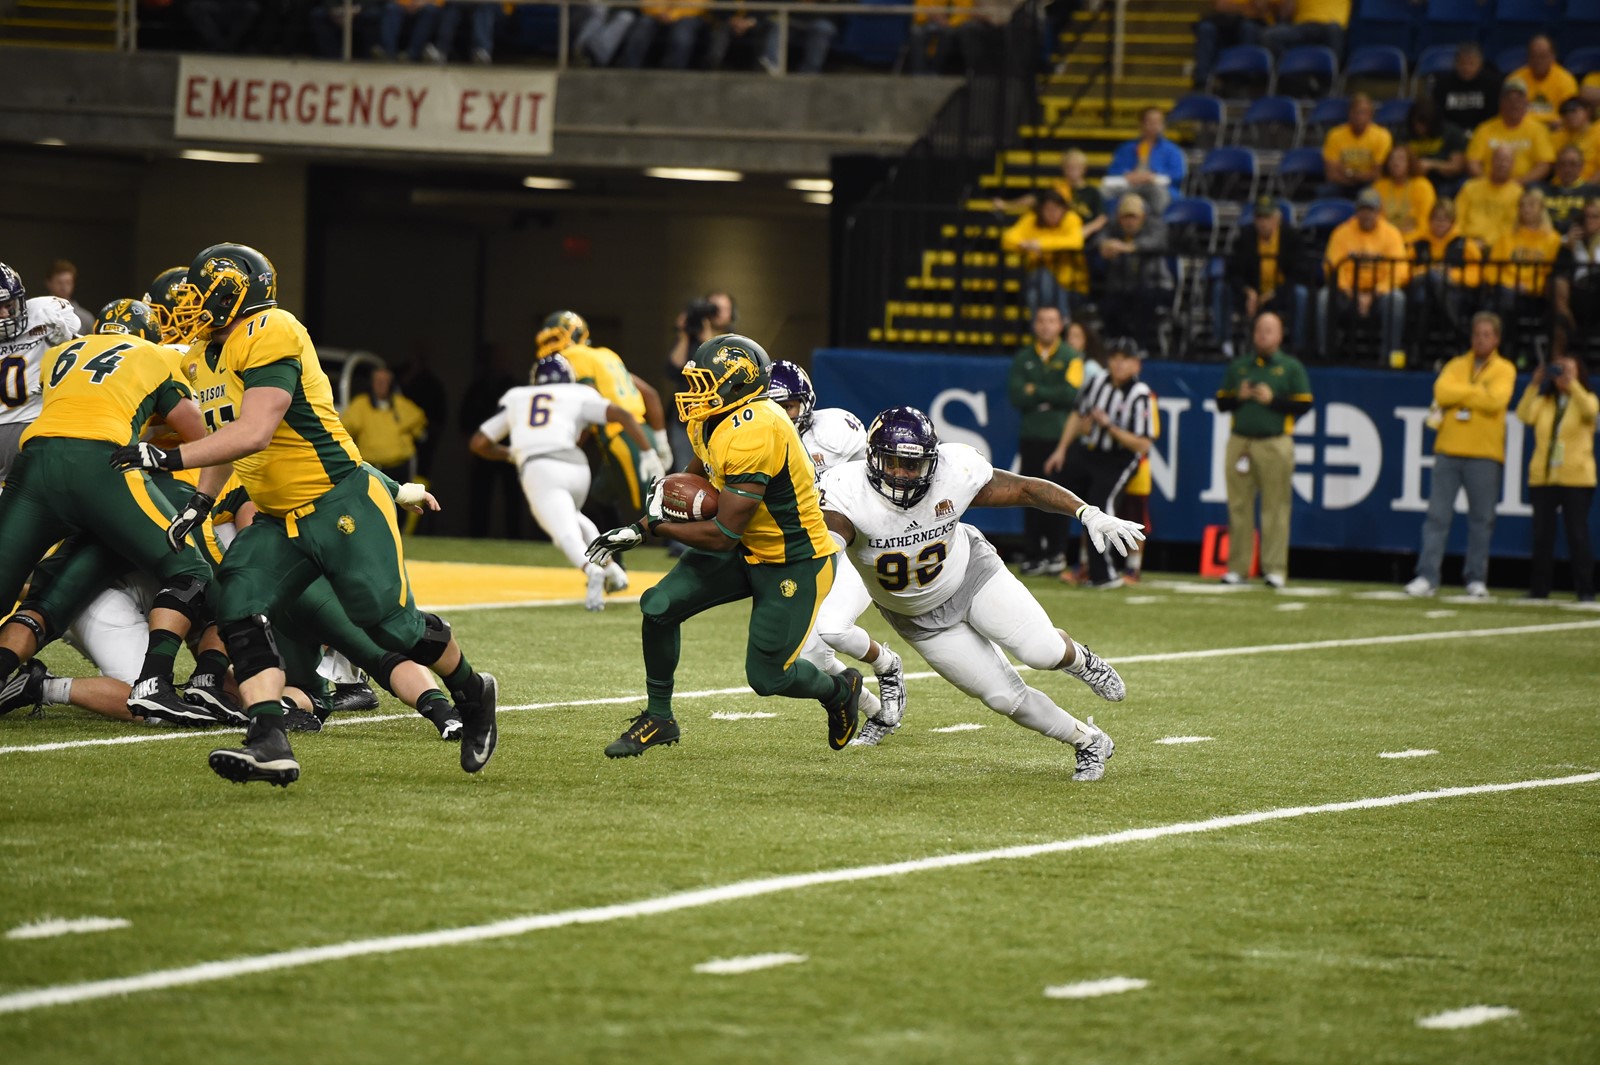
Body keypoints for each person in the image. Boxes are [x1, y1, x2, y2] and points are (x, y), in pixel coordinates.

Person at [112, 242, 498, 785]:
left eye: (202, 291)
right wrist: (201, 501)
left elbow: (256, 431)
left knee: (388, 626)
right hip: (274, 517)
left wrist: (164, 456)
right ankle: (267, 738)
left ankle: (471, 689)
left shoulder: (271, 329)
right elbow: (228, 440)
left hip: (338, 501)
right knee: (237, 602)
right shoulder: (201, 358)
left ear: (237, 291)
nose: (192, 305)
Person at [818, 406, 1140, 781]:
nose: (903, 476)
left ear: (932, 463)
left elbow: (1025, 488)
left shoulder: (954, 472)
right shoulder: (844, 493)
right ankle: (1088, 741)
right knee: (1004, 698)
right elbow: (822, 555)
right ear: (873, 458)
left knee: (1042, 651)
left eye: (914, 466)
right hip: (917, 617)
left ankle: (1079, 660)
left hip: (972, 576)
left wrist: (1087, 513)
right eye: (893, 463)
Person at [583, 334, 865, 758]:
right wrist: (640, 527)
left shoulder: (759, 428)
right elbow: (691, 480)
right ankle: (659, 717)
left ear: (737, 384)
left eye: (704, 383)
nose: (694, 393)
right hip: (743, 546)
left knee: (768, 678)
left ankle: (839, 691)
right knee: (659, 607)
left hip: (791, 559)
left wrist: (656, 529)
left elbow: (722, 533)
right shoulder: (711, 418)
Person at [0, 301, 215, 723]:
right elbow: (200, 436)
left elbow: (81, 402)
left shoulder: (63, 352)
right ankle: (155, 684)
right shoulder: (154, 354)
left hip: (36, 459)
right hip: (102, 465)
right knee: (191, 570)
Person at [766, 360, 907, 746]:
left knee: (834, 628)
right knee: (813, 658)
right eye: (773, 406)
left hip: (854, 543)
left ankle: (887, 664)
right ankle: (877, 712)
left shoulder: (836, 431)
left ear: (806, 403)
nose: (783, 414)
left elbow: (877, 486)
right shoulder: (759, 438)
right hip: (802, 550)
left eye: (789, 406)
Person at [467, 353, 654, 611]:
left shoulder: (517, 397)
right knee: (573, 516)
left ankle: (592, 570)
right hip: (577, 465)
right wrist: (647, 451)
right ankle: (613, 570)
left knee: (563, 533)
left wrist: (510, 453)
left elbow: (479, 442)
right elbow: (622, 414)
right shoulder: (580, 393)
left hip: (540, 467)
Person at [1405, 312, 1516, 599]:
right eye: (1477, 334)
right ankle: (1427, 576)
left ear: (1497, 338)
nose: (1481, 339)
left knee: (1481, 519)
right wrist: (1476, 391)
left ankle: (1476, 578)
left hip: (1484, 452)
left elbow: (1496, 401)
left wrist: (1462, 394)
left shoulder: (1505, 369)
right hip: (1448, 448)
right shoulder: (1456, 364)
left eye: (1487, 334)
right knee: (1437, 516)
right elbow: (1441, 391)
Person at [1042, 337, 1156, 590]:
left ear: (1136, 365)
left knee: (1099, 505)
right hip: (1091, 452)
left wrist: (1109, 427)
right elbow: (1077, 414)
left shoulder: (1141, 395)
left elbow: (1142, 445)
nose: (1118, 364)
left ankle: (1104, 573)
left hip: (1121, 458)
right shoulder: (1097, 382)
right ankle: (1052, 556)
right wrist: (1061, 450)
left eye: (1124, 359)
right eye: (1114, 358)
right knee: (1055, 488)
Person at [539, 310, 671, 520]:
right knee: (601, 497)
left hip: (622, 437)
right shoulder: (607, 354)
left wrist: (568, 449)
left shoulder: (573, 357)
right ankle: (611, 553)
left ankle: (692, 548)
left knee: (657, 508)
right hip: (642, 432)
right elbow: (650, 394)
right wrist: (661, 441)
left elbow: (587, 403)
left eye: (555, 338)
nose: (551, 346)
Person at [1215, 312, 1313, 589]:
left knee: (1276, 507)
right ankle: (1237, 568)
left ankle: (1275, 569)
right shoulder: (1240, 366)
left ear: (1280, 334)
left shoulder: (1290, 367)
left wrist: (1274, 401)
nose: (1263, 334)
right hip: (1240, 442)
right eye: (1259, 329)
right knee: (1238, 507)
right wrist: (1239, 396)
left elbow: (1304, 404)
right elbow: (1222, 403)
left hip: (1275, 442)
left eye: (1269, 329)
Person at [1007, 305, 1087, 577]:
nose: (1046, 326)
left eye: (1051, 321)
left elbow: (1070, 394)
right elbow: (1017, 395)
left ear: (1060, 325)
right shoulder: (1023, 357)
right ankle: (1033, 553)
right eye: (1041, 320)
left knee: (1059, 494)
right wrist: (1048, 394)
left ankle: (1056, 551)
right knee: (1027, 493)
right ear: (1034, 325)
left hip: (1059, 436)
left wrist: (1036, 391)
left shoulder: (1071, 356)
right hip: (1032, 434)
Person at [1516, 355, 1596, 601]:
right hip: (1543, 477)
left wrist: (1572, 384)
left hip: (1576, 478)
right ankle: (1539, 590)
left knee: (1577, 534)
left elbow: (1591, 411)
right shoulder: (1545, 402)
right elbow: (1523, 415)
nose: (1563, 375)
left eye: (1569, 370)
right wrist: (1534, 384)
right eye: (1559, 370)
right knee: (1542, 535)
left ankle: (1585, 590)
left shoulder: (1586, 399)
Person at [0, 262, 81, 488]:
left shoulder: (43, 314)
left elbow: (83, 351)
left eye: (9, 305)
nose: (6, 315)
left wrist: (64, 339)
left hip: (36, 425)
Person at [1318, 187, 1409, 360]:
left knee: (1397, 299)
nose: (1367, 214)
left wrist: (1376, 292)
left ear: (1379, 212)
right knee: (1324, 297)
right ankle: (1326, 354)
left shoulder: (1392, 234)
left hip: (1380, 294)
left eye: (1371, 210)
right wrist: (1349, 291)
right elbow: (1332, 267)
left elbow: (1400, 270)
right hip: (1348, 293)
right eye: (1363, 209)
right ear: (1357, 211)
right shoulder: (1342, 233)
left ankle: (1389, 356)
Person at [1222, 196, 1313, 354]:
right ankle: (1224, 343)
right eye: (1259, 217)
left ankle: (1298, 347)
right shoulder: (1245, 236)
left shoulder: (1290, 237)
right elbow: (1233, 272)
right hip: (1252, 293)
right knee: (1221, 289)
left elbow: (1299, 274)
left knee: (1301, 294)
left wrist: (1275, 293)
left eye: (1267, 217)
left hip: (1281, 293)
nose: (1263, 222)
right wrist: (1247, 290)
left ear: (1277, 218)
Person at [1485, 188, 1562, 362]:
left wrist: (1531, 287)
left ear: (1542, 209)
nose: (1526, 209)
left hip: (1536, 297)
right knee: (1503, 298)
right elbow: (1491, 271)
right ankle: (1506, 350)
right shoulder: (1506, 238)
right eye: (1523, 205)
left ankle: (1507, 351)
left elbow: (1551, 274)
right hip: (1507, 290)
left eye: (1532, 205)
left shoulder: (1553, 240)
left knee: (1501, 302)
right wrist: (1512, 284)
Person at [1096, 194, 1173, 355]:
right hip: (1121, 285)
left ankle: (1141, 345)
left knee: (1144, 298)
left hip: (1154, 284)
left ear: (1143, 217)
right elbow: (1100, 239)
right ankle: (1115, 344)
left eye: (1134, 217)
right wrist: (1105, 245)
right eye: (1125, 217)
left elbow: (1158, 241)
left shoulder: (1154, 225)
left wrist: (1128, 247)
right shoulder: (1114, 227)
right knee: (1108, 304)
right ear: (1119, 217)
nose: (1129, 222)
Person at [1406, 199, 1484, 357]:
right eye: (1436, 219)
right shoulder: (1419, 243)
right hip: (1422, 288)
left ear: (1452, 222)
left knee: (1430, 292)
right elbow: (1404, 270)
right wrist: (1431, 271)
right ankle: (1461, 336)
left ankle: (1416, 348)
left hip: (1455, 291)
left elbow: (1475, 276)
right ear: (1429, 221)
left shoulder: (1465, 244)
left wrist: (1450, 275)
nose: (1440, 223)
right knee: (1429, 285)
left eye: (1444, 219)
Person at [1000, 190, 1085, 320]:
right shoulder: (1032, 219)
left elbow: (1075, 242)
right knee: (1042, 277)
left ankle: (1048, 328)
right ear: (1041, 210)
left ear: (1063, 209)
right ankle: (1059, 322)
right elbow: (1007, 239)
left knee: (1033, 295)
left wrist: (1040, 244)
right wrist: (1025, 245)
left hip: (1068, 282)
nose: (1052, 214)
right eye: (1047, 209)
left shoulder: (1071, 218)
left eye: (1056, 209)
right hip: (1036, 277)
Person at [992, 149, 1107, 243]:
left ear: (1084, 169)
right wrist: (1007, 205)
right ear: (1063, 169)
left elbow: (1101, 218)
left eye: (1077, 167)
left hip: (1085, 237)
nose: (1073, 171)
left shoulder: (1092, 191)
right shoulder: (1057, 188)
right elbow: (1034, 199)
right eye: (1069, 167)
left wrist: (1084, 232)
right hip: (1058, 235)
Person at [340, 365, 428, 484]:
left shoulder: (401, 404)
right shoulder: (360, 405)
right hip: (371, 470)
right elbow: (345, 428)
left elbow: (419, 422)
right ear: (371, 383)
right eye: (378, 381)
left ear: (390, 383)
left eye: (385, 381)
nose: (381, 384)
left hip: (399, 469)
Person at [1466, 78, 1555, 184]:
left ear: (1526, 103)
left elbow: (1544, 165)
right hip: (1489, 185)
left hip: (1525, 186)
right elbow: (1472, 162)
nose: (1514, 104)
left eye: (1519, 99)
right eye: (1509, 99)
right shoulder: (1485, 129)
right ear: (1501, 102)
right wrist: (1487, 182)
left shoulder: (1538, 129)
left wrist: (1518, 183)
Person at [1101, 106, 1186, 215]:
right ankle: (1109, 226)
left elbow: (1177, 175)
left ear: (1163, 125)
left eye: (1157, 122)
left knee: (1159, 193)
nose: (1153, 126)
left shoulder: (1172, 150)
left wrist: (1153, 177)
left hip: (1156, 186)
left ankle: (1157, 226)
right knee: (1102, 191)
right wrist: (1128, 175)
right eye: (1150, 122)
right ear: (1142, 124)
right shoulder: (1126, 148)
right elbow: (1113, 171)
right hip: (1130, 185)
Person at [1321, 94, 1393, 198]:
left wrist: (1350, 173)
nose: (1359, 116)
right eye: (1356, 112)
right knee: (1326, 192)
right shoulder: (1335, 135)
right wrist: (1356, 177)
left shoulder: (1382, 136)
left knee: (1375, 193)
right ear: (1349, 114)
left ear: (1370, 115)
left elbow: (1378, 173)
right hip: (1342, 184)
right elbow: (1331, 174)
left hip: (1369, 184)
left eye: (1363, 112)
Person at [1455, 144, 1525, 248]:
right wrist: (1465, 241)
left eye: (1507, 160)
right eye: (1499, 159)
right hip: (1467, 244)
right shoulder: (1470, 187)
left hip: (1499, 247)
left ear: (1513, 164)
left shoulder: (1518, 193)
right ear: (1491, 161)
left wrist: (1488, 243)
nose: (1502, 164)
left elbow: (1513, 226)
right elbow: (1457, 218)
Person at [1191, 0, 1268, 89]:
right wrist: (1242, 8)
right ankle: (1202, 81)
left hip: (1248, 22)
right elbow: (1221, 6)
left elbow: (1259, 10)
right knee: (1205, 29)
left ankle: (1246, 78)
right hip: (1221, 21)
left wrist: (1240, 8)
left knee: (1249, 29)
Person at [1508, 34, 1577, 127]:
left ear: (1553, 57)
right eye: (1534, 56)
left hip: (1554, 130)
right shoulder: (1515, 79)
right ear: (1528, 58)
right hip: (1524, 129)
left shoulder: (1566, 80)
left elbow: (1571, 115)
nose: (1538, 61)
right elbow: (1509, 113)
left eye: (1543, 56)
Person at [1405, 94, 1469, 192]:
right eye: (1417, 123)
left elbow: (1457, 167)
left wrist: (1431, 164)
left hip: (1444, 183)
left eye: (1424, 124)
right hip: (1412, 180)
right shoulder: (1405, 133)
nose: (1419, 128)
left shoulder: (1452, 133)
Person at [617, 0, 707, 69]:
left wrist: (673, 14)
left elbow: (699, 4)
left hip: (689, 15)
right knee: (643, 26)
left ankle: (673, 75)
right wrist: (659, 12)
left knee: (682, 33)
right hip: (656, 13)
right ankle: (628, 69)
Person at [1433, 42, 1500, 133]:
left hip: (1483, 133)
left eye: (1471, 64)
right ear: (1456, 63)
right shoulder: (1442, 84)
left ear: (1480, 64)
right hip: (1451, 134)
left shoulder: (1492, 83)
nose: (1466, 68)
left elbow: (1493, 117)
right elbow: (1438, 116)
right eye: (1463, 63)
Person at [1372, 144, 1437, 234]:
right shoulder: (1379, 186)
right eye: (1392, 159)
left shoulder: (1422, 186)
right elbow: (1375, 219)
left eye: (1401, 159)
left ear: (1410, 162)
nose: (1396, 163)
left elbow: (1426, 222)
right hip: (1386, 241)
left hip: (1415, 241)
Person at [1538, 145, 1600, 233]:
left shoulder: (1593, 192)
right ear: (1556, 167)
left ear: (1581, 166)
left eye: (1573, 164)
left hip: (1582, 241)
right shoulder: (1543, 191)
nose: (1567, 169)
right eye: (1563, 164)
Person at [1261, 0, 1349, 60]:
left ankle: (1331, 81)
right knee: (1270, 36)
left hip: (1330, 25)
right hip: (1302, 26)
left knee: (1333, 29)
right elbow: (1284, 15)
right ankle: (1295, 76)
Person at [1551, 97, 1600, 182]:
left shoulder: (1598, 132)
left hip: (1592, 188)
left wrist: (1586, 189)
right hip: (1559, 189)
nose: (1569, 116)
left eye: (1573, 111)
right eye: (1564, 113)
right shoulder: (1557, 137)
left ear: (1587, 112)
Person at [43, 260, 95, 335]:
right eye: (59, 282)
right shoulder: (38, 313)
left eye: (68, 282)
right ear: (49, 283)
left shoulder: (85, 318)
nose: (64, 287)